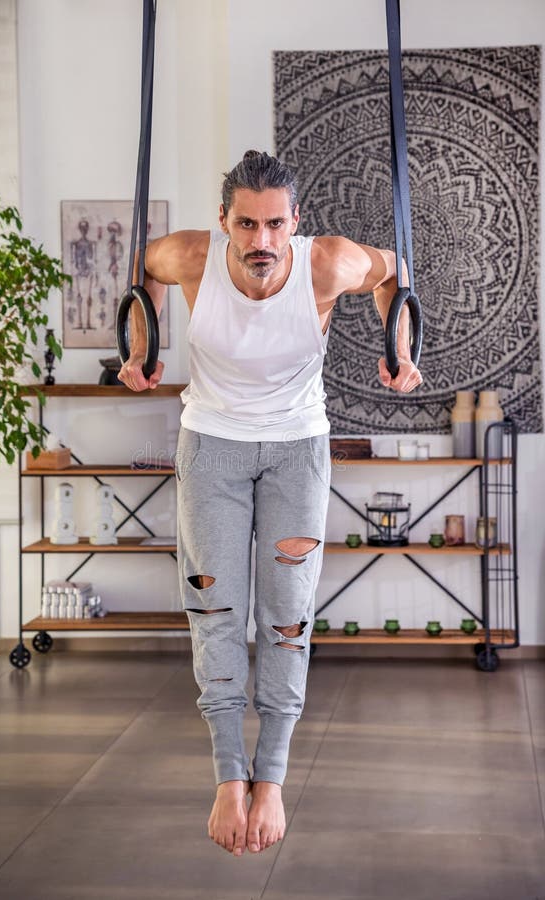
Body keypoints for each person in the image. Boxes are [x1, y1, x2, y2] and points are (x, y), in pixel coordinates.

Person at [118, 150, 422, 858]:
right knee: (214, 607)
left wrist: (398, 343)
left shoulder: (327, 264)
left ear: (295, 223)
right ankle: (229, 775)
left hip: (296, 449)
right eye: (247, 224)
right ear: (224, 222)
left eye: (275, 224)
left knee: (286, 614)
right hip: (211, 448)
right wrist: (143, 343)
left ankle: (274, 776)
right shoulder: (193, 257)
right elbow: (142, 265)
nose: (261, 241)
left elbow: (393, 271)